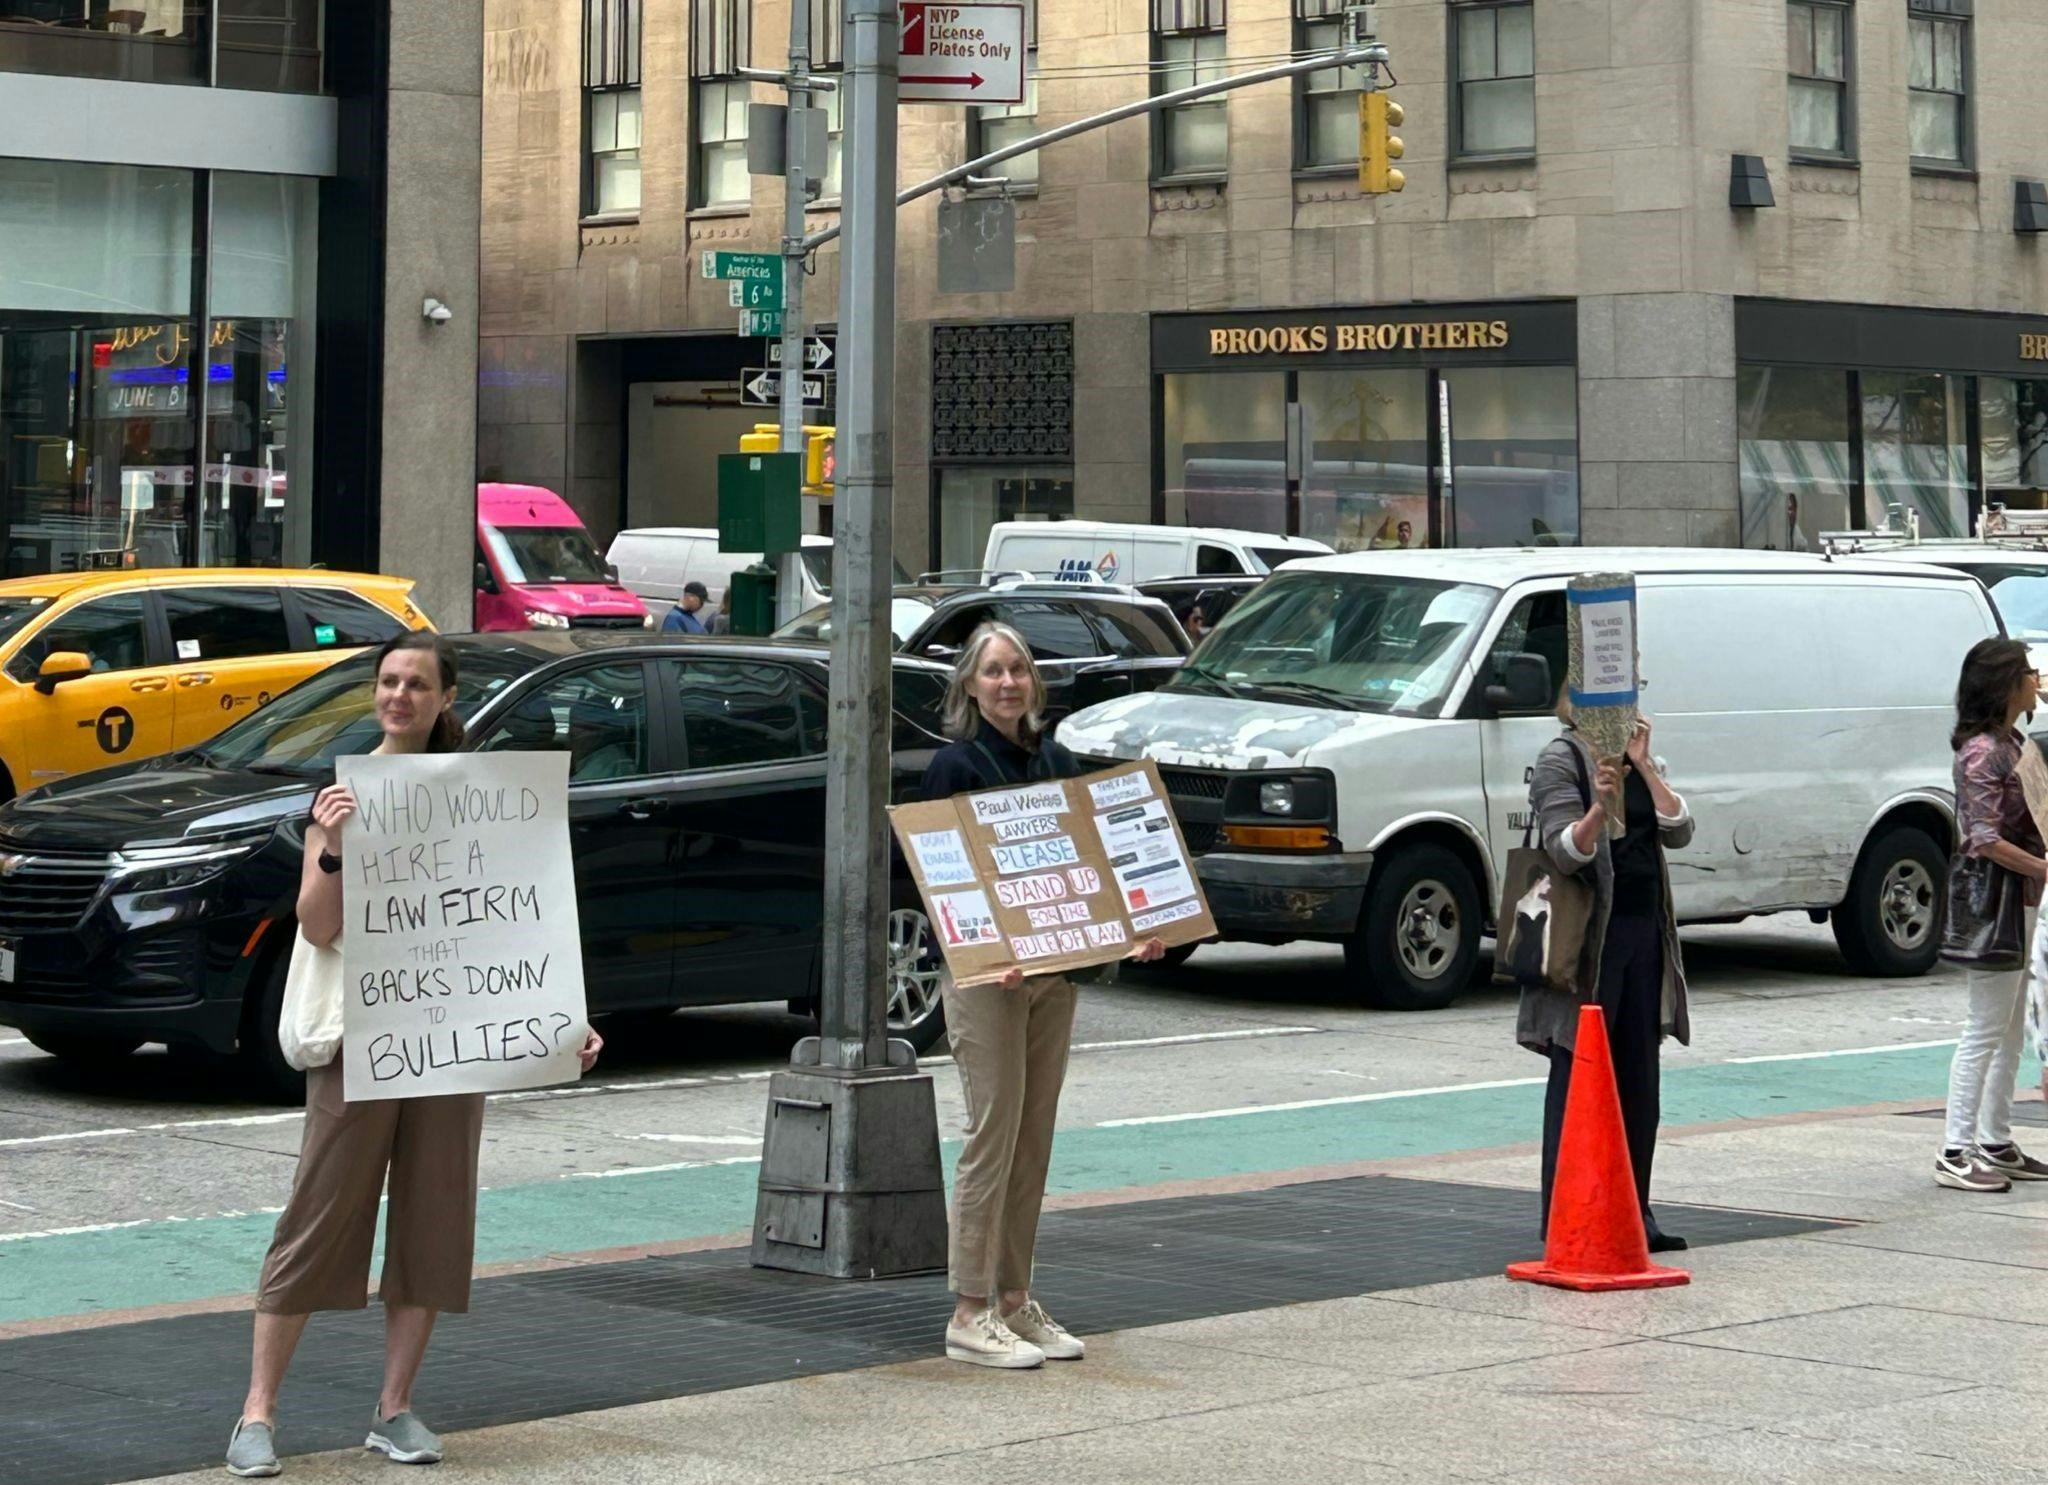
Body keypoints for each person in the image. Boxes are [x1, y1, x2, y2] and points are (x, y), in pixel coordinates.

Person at [225, 633, 604, 1478]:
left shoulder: (486, 794)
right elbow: (318, 926)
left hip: (454, 1044)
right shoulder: (347, 793)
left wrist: (558, 1019)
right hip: (364, 1037)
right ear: (376, 695)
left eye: (415, 683)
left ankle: (394, 1408)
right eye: (388, 681)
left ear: (444, 696)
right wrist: (330, 843)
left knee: (434, 1222)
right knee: (318, 1216)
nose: (398, 694)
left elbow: (520, 917)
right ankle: (257, 1411)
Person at [920, 621, 1166, 1369]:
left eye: (1018, 670)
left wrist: (1139, 927)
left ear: (1035, 682)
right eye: (992, 671)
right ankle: (969, 1310)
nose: (1007, 683)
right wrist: (988, 951)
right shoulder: (953, 767)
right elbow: (935, 879)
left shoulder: (1058, 762)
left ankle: (1016, 1299)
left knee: (1034, 1138)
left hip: (1053, 979)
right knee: (992, 1136)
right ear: (968, 684)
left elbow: (1091, 871)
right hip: (988, 980)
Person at [1524, 691, 1695, 1253]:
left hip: (1643, 933)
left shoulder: (1636, 753)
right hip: (1590, 943)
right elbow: (1562, 850)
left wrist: (1643, 765)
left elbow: (1680, 828)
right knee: (1580, 1078)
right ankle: (1565, 1217)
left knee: (1639, 1079)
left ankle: (1633, 1213)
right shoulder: (1561, 758)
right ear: (1574, 697)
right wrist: (1599, 808)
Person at [1936, 638, 2048, 1192]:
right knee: (1984, 1028)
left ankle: (1995, 1138)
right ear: (2007, 685)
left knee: (2009, 1030)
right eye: (2029, 673)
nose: (2037, 681)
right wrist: (2044, 866)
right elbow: (1982, 839)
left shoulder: (2014, 742)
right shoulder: (1983, 751)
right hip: (1994, 902)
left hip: (2019, 899)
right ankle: (1956, 1149)